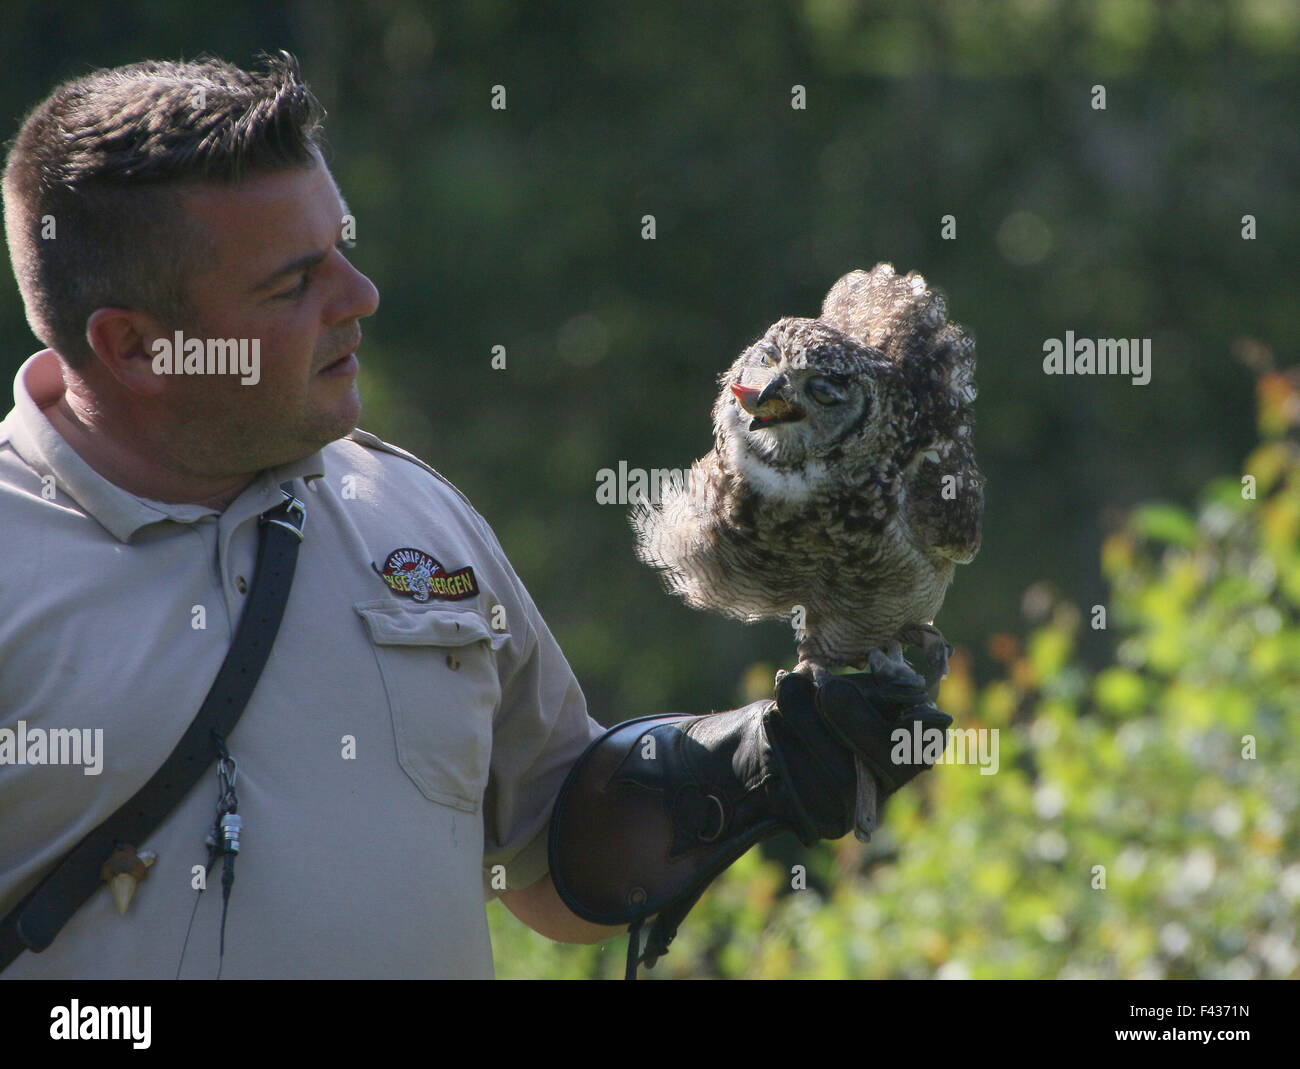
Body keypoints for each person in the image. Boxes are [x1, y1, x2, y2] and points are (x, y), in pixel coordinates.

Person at [0, 53, 949, 980]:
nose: (359, 298)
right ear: (134, 346)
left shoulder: (410, 515)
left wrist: (756, 760)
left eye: (345, 248)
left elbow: (550, 860)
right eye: (293, 284)